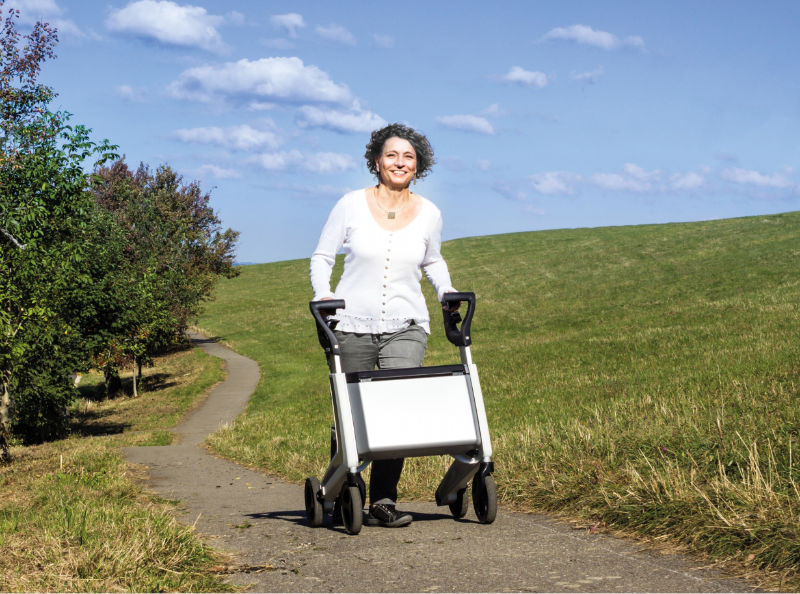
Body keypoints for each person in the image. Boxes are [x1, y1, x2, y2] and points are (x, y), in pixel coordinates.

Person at [309, 122, 457, 528]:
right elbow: (322, 256)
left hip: (406, 324)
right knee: (351, 414)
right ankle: (343, 488)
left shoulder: (429, 213)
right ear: (376, 161)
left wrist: (445, 290)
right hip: (349, 323)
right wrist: (323, 293)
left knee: (397, 413)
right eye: (392, 155)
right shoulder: (350, 205)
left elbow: (433, 260)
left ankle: (383, 501)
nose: (400, 162)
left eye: (408, 157)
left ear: (418, 166)